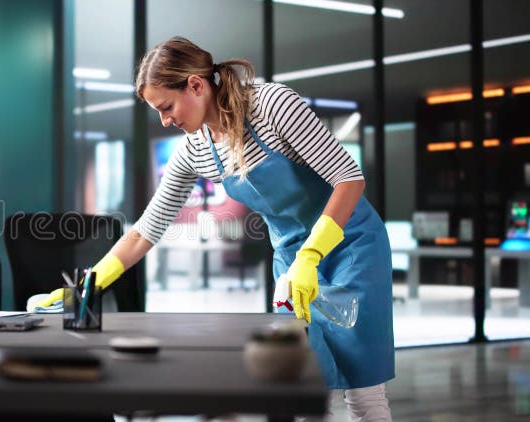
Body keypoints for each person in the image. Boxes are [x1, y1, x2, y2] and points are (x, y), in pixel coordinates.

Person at [37, 36, 394, 421]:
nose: (165, 120)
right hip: (291, 260)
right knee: (301, 381)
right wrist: (91, 283)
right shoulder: (195, 149)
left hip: (351, 248)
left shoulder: (272, 105)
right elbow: (145, 229)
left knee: (362, 387)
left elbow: (349, 179)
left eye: (167, 106)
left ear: (196, 84)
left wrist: (313, 254)